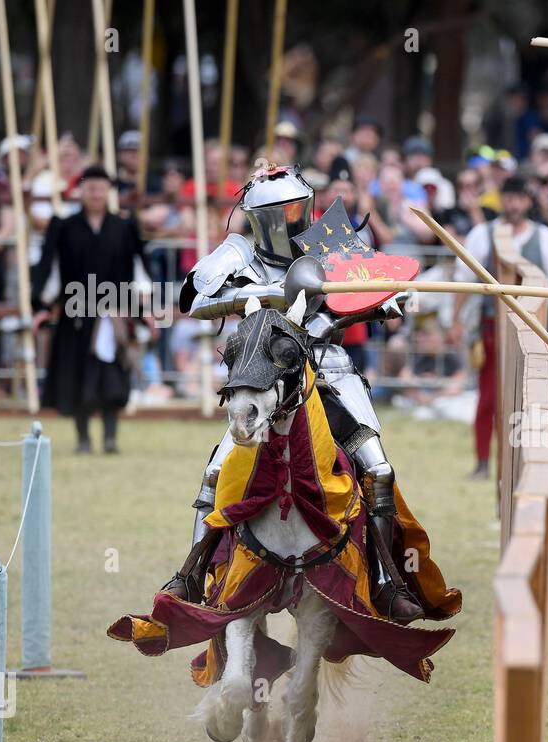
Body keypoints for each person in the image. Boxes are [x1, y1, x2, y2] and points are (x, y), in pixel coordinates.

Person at [175, 165, 429, 624]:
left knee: (378, 468)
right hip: (269, 374)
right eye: (280, 213)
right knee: (217, 471)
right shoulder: (239, 252)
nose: (292, 221)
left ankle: (384, 582)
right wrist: (269, 291)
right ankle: (191, 576)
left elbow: (385, 291)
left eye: (297, 209)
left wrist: (381, 298)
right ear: (259, 218)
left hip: (330, 369)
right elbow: (194, 301)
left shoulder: (331, 246)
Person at [450, 176, 548, 478]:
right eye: (509, 197)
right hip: (492, 329)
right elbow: (463, 281)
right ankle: (483, 461)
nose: (514, 204)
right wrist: (456, 321)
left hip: (532, 330)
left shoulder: (544, 238)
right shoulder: (481, 234)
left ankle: (521, 461)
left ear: (528, 202)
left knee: (529, 399)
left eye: (519, 197)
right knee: (489, 397)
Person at [31, 166, 153, 453]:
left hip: (115, 311)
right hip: (75, 312)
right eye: (91, 188)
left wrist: (143, 308)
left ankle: (110, 437)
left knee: (112, 375)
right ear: (81, 191)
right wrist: (40, 305)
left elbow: (139, 269)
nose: (96, 193)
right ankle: (83, 438)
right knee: (77, 375)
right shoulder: (63, 226)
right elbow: (47, 268)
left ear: (108, 191)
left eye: (101, 188)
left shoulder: (123, 227)